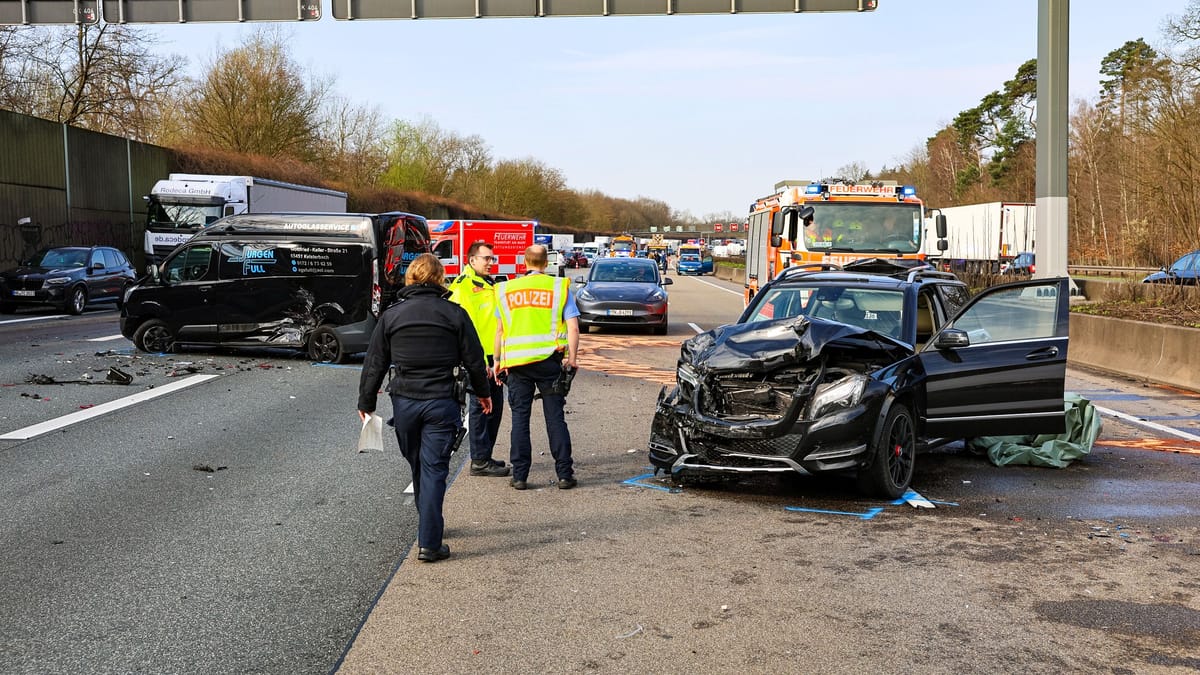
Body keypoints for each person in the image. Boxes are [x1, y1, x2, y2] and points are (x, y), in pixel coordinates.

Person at [357, 253, 491, 563]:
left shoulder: (392, 316)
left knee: (418, 464)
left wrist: (366, 403)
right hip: (442, 401)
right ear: (440, 279)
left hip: (404, 402)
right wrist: (483, 394)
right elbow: (474, 359)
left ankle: (429, 526)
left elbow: (375, 361)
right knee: (433, 469)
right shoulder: (454, 314)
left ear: (412, 279)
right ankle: (430, 539)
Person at [494, 244, 581, 491]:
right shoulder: (558, 288)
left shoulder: (506, 290)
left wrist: (497, 361)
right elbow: (573, 327)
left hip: (518, 365)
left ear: (524, 262)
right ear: (547, 263)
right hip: (549, 363)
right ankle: (564, 474)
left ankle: (520, 476)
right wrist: (572, 358)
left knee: (520, 420)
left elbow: (500, 330)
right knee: (555, 418)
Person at [446, 241, 510, 478]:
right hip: (478, 360)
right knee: (481, 408)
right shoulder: (464, 287)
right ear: (472, 260)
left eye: (492, 259)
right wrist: (478, 361)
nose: (491, 263)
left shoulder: (486, 283)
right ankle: (480, 459)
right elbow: (462, 329)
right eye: (486, 259)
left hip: (493, 358)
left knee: (495, 408)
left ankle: (485, 454)